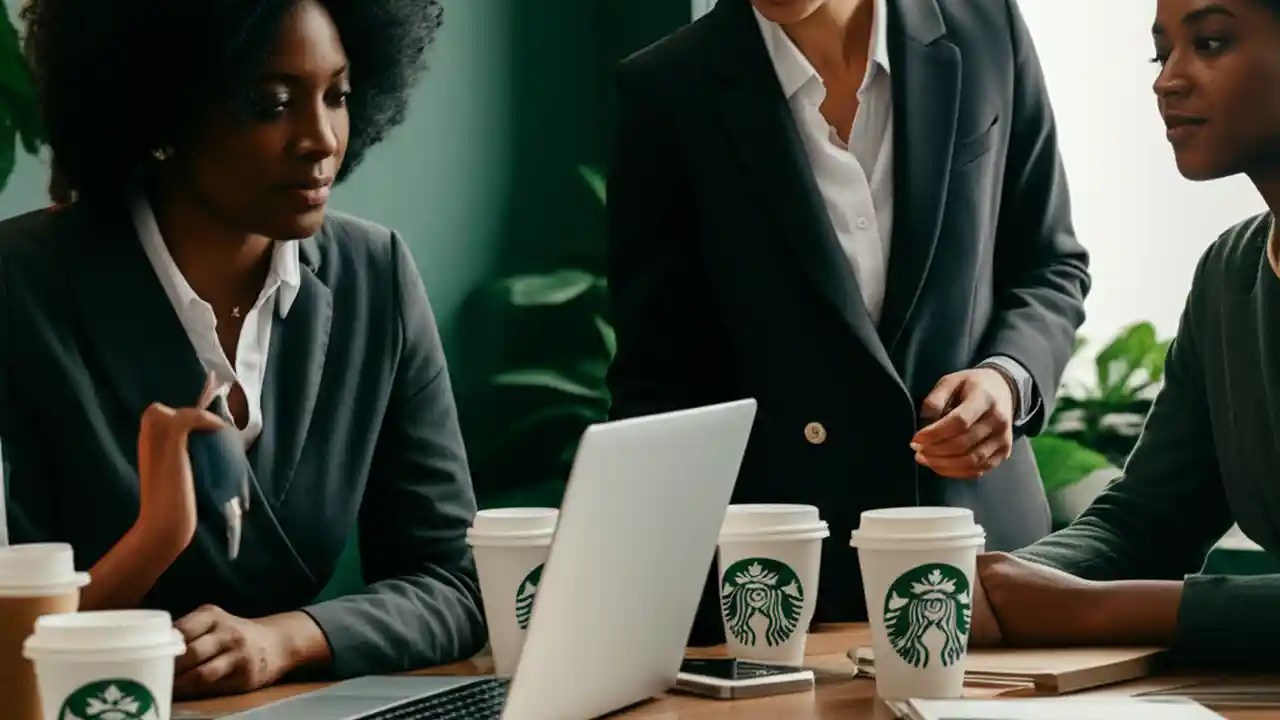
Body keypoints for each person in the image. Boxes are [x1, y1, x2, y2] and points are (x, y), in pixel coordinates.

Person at [2, 0, 486, 698]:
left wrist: (286, 640)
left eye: (337, 97)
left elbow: (453, 582)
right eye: (272, 104)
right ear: (166, 109)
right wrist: (156, 538)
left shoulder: (373, 274)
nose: (320, 138)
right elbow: (9, 648)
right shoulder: (20, 291)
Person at [606, 0, 1090, 637]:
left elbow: (1049, 263)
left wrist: (1007, 378)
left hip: (979, 569)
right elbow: (657, 379)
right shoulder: (667, 89)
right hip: (780, 597)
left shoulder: (985, 27)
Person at [973, 0, 1280, 668]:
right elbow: (1146, 522)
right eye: (1160, 52)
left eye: (1213, 42)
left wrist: (1095, 609)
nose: (1167, 79)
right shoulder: (1231, 276)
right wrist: (986, 587)